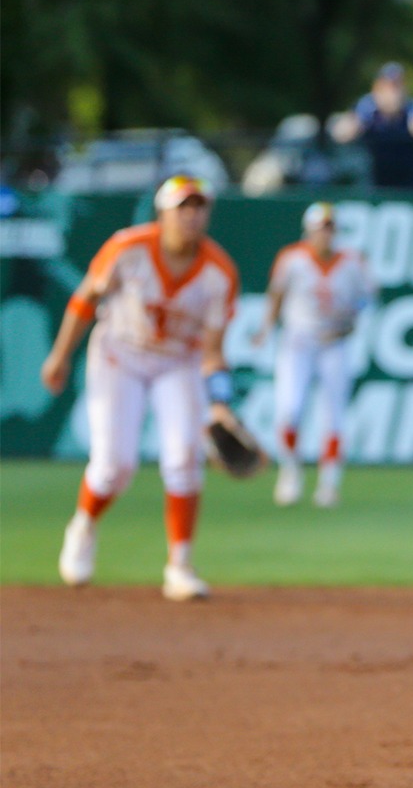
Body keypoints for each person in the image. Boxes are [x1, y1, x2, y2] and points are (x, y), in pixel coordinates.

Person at [40, 175, 241, 601]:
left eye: (199, 207)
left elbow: (213, 351)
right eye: (183, 207)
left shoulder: (219, 272)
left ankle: (180, 567)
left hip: (177, 362)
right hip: (120, 355)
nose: (191, 215)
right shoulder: (128, 247)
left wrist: (220, 403)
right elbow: (85, 300)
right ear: (163, 212)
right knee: (115, 465)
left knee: (184, 457)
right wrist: (60, 355)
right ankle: (84, 525)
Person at [254, 202, 378, 507]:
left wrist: (352, 321)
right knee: (289, 410)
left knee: (334, 415)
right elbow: (276, 294)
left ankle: (329, 482)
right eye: (321, 228)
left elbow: (369, 297)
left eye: (330, 227)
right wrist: (266, 328)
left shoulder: (353, 261)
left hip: (335, 342)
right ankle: (290, 471)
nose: (325, 234)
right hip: (298, 342)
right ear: (309, 230)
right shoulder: (292, 258)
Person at [330, 62, 413, 189]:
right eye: (388, 85)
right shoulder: (365, 107)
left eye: (397, 85)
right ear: (377, 87)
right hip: (374, 180)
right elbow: (340, 134)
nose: (393, 91)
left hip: (412, 182)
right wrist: (356, 123)